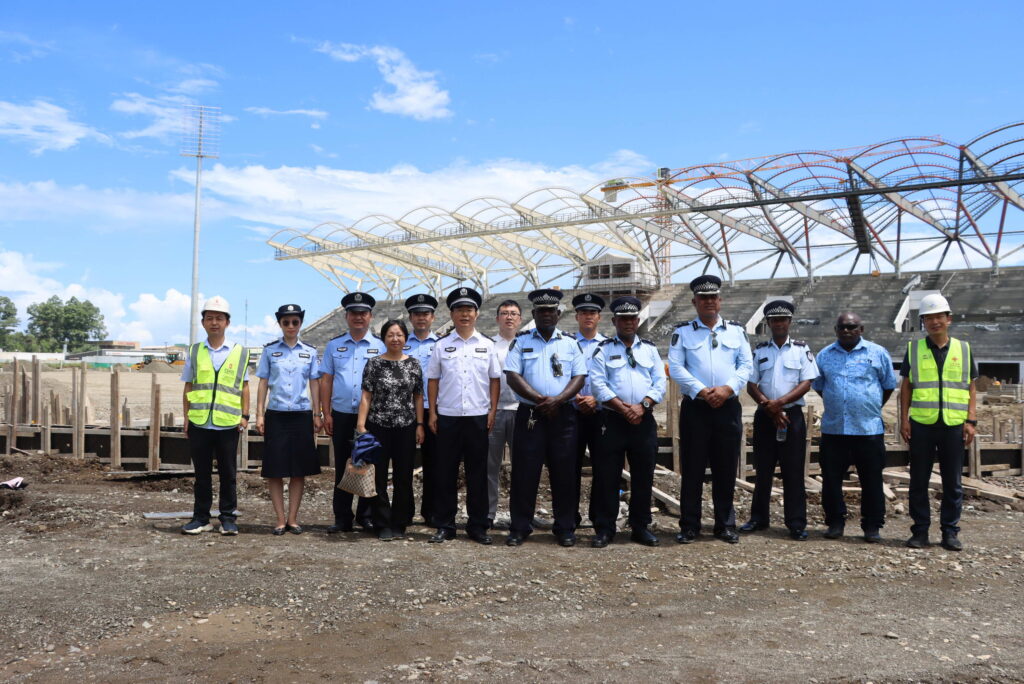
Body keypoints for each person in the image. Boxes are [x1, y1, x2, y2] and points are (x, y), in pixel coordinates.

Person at [668, 275, 752, 544]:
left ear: (720, 300)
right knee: (692, 468)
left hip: (728, 407)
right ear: (694, 301)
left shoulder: (737, 331)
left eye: (713, 297)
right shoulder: (682, 332)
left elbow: (745, 366)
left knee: (726, 468)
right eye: (703, 298)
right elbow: (676, 367)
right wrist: (702, 390)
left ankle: (725, 525)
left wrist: (727, 389)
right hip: (697, 408)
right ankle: (690, 525)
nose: (708, 301)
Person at [504, 289, 587, 547]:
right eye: (542, 311)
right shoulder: (521, 341)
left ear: (559, 314)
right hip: (531, 415)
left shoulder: (571, 343)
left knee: (564, 473)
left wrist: (559, 400)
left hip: (563, 415)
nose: (547, 315)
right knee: (525, 473)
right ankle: (520, 527)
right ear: (534, 314)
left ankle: (564, 527)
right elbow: (512, 375)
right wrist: (541, 399)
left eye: (551, 310)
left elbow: (579, 376)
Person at [899, 294, 977, 551]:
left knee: (952, 481)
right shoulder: (914, 349)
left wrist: (971, 420)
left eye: (938, 317)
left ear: (948, 319)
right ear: (923, 322)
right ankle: (920, 531)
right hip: (922, 423)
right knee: (918, 480)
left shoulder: (964, 349)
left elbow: (971, 386)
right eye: (928, 318)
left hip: (954, 424)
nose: (934, 322)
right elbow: (906, 387)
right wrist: (904, 420)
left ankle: (950, 532)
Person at [588, 296, 666, 547]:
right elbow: (598, 385)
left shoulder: (650, 349)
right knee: (606, 476)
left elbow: (659, 383)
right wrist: (624, 409)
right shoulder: (603, 350)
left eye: (632, 318)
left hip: (643, 421)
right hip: (612, 420)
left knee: (643, 475)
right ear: (614, 321)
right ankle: (605, 528)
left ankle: (640, 526)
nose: (628, 322)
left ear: (638, 320)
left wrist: (642, 407)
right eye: (623, 319)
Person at [813, 312, 897, 543]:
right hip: (834, 430)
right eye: (842, 327)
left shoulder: (878, 353)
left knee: (871, 479)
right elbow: (820, 386)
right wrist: (839, 401)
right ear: (835, 330)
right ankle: (835, 522)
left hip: (868, 429)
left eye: (852, 327)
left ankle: (872, 526)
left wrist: (867, 404)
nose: (847, 331)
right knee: (831, 480)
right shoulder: (824, 355)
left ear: (862, 329)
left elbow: (888, 386)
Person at [425, 287, 501, 544]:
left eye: (469, 309)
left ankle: (477, 525)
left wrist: (492, 410)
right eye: (459, 309)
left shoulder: (487, 345)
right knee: (445, 472)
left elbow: (494, 381)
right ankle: (445, 524)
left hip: (478, 416)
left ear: (477, 313)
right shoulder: (441, 345)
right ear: (452, 314)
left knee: (477, 473)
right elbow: (433, 380)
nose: (464, 314)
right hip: (448, 416)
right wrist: (432, 412)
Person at [742, 300, 818, 541]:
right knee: (762, 470)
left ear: (789, 322)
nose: (778, 324)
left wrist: (780, 404)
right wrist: (768, 406)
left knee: (793, 471)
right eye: (774, 320)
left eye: (783, 319)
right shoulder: (760, 351)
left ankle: (796, 523)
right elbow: (751, 384)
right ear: (768, 323)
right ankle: (758, 518)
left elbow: (806, 382)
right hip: (765, 416)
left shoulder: (801, 350)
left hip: (791, 417)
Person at [180, 296, 250, 536]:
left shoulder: (240, 352)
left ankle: (228, 518)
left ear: (227, 322)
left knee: (228, 474)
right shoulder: (195, 351)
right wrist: (186, 417)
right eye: (209, 318)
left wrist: (245, 416)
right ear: (203, 322)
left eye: (219, 318)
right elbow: (188, 386)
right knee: (201, 475)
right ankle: (201, 518)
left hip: (228, 424)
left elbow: (245, 387)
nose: (214, 322)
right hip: (200, 422)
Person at [254, 304, 322, 535]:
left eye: (295, 322)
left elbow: (314, 383)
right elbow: (263, 382)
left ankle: (293, 518)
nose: (291, 326)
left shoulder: (310, 352)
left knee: (298, 470)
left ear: (300, 323)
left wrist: (317, 413)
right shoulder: (270, 351)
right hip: (277, 414)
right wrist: (259, 413)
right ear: (280, 324)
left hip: (302, 414)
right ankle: (280, 519)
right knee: (274, 469)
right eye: (286, 322)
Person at [357, 319, 425, 541]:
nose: (395, 339)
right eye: (390, 335)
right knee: (377, 478)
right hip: (378, 426)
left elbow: (418, 397)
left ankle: (400, 522)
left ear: (405, 338)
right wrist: (361, 425)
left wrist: (420, 424)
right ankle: (382, 522)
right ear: (384, 338)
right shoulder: (374, 364)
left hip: (406, 427)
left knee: (403, 476)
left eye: (399, 335)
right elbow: (367, 396)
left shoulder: (413, 364)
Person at [320, 292, 382, 533]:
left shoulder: (380, 345)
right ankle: (342, 517)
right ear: (346, 316)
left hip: (371, 416)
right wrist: (327, 413)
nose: (359, 317)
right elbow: (326, 380)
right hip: (343, 414)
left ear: (370, 316)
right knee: (343, 465)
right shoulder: (335, 345)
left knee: (369, 464)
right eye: (354, 313)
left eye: (363, 313)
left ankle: (365, 515)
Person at [571, 292, 607, 528]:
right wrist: (572, 396)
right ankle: (569, 517)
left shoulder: (607, 345)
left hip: (600, 412)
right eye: (584, 312)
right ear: (576, 316)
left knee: (603, 467)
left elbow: (613, 378)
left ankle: (599, 517)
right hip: (571, 412)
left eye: (592, 313)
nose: (588, 316)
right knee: (568, 467)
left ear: (599, 317)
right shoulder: (566, 344)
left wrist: (595, 399)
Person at [403, 293, 439, 526]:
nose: (421, 318)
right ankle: (404, 512)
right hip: (404, 410)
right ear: (410, 317)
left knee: (434, 463)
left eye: (425, 314)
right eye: (417, 314)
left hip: (433, 409)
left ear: (433, 317)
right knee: (404, 463)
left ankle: (431, 512)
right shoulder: (399, 342)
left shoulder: (442, 344)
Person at [486, 299, 522, 527]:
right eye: (505, 313)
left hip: (522, 411)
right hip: (496, 411)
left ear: (520, 319)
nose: (509, 317)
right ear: (497, 318)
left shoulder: (526, 344)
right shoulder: (490, 345)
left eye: (514, 313)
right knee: (490, 465)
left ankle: (521, 514)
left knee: (523, 466)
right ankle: (489, 513)